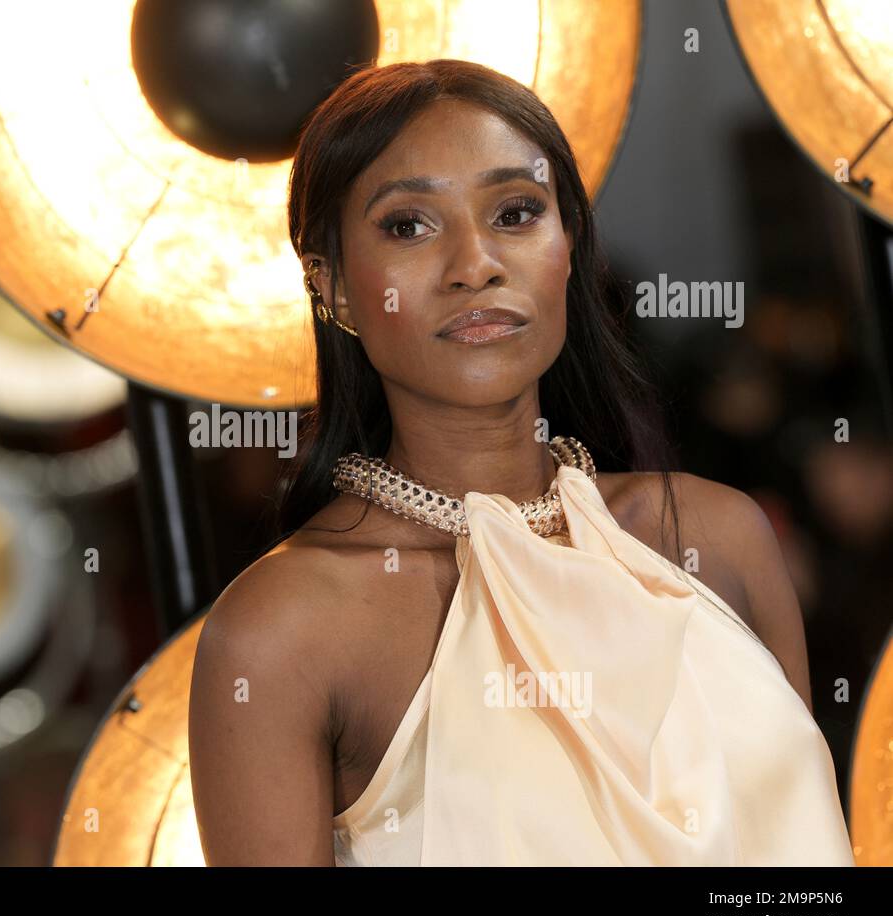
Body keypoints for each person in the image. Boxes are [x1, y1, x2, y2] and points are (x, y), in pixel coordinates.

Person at [187, 59, 855, 866]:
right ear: (329, 287)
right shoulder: (282, 630)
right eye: (408, 224)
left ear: (567, 246)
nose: (475, 265)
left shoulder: (718, 539)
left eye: (515, 212)